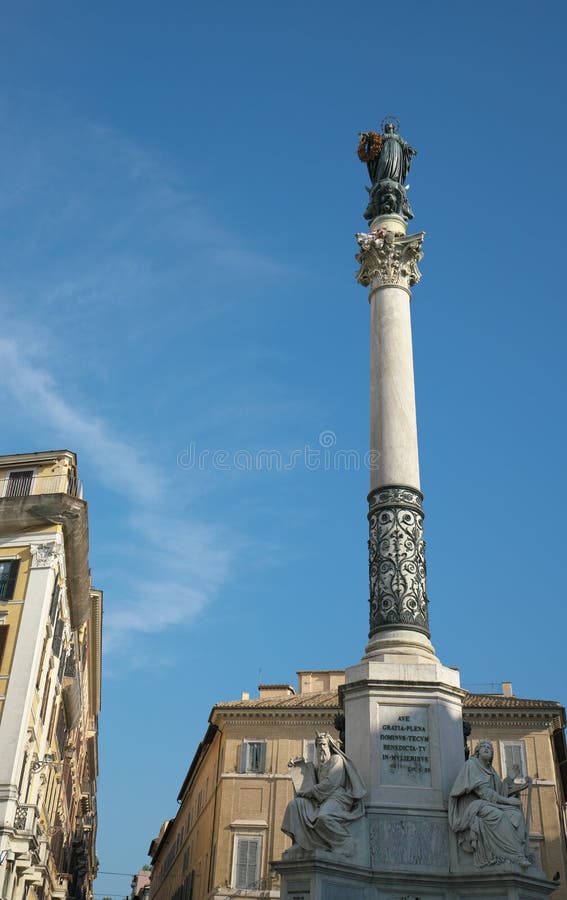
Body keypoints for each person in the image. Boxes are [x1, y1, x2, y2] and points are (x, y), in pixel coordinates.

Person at [448, 739, 531, 867]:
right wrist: (508, 801)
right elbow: (485, 793)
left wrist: (512, 781)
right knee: (499, 816)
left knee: (517, 815)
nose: (487, 748)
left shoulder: (491, 771)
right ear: (477, 751)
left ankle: (519, 852)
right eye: (483, 746)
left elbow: (501, 791)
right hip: (474, 806)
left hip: (490, 804)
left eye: (489, 748)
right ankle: (514, 855)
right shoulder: (472, 765)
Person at [281, 732, 366, 855]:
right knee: (294, 805)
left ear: (329, 746)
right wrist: (298, 767)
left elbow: (330, 783)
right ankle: (301, 844)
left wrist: (311, 792)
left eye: (324, 745)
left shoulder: (336, 760)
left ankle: (345, 844)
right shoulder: (318, 767)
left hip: (338, 797)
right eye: (318, 745)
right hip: (320, 799)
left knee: (324, 817)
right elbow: (308, 781)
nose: (321, 748)